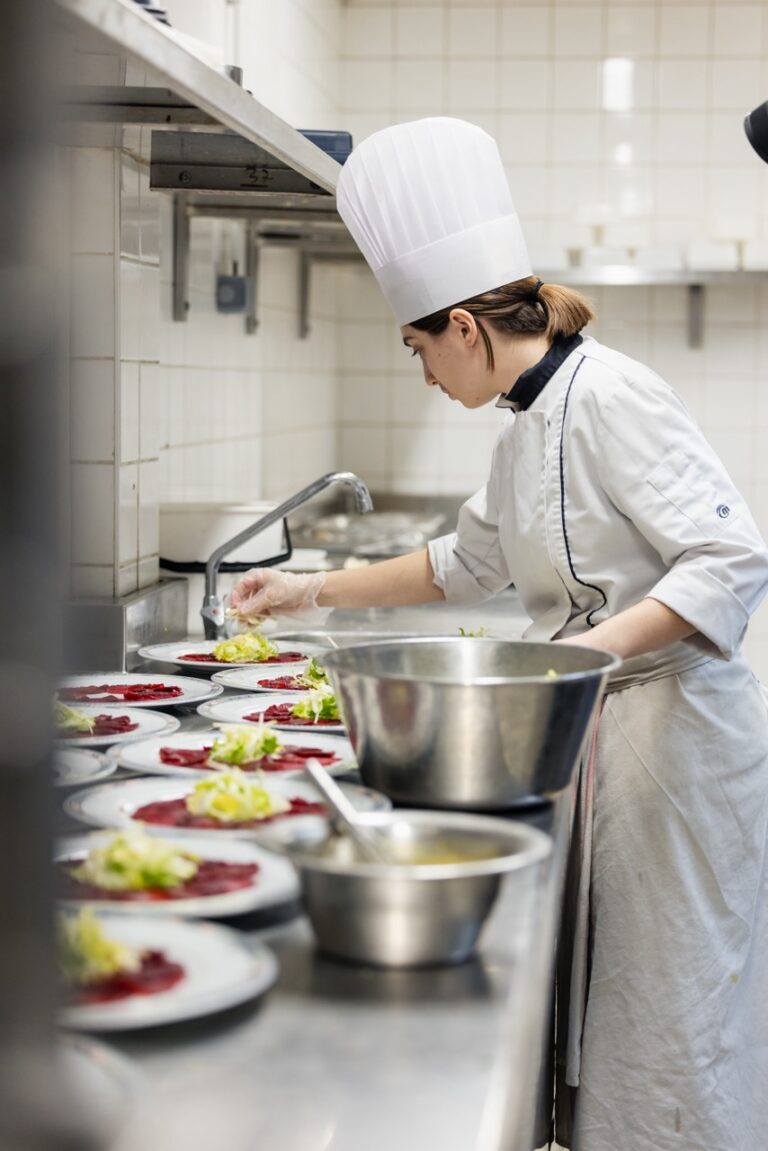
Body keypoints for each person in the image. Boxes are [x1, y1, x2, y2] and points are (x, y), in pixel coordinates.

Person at [230, 118, 768, 1151]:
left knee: (675, 1022)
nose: (424, 371)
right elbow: (459, 562)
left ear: (465, 330)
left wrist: (568, 663)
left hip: (684, 753)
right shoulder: (532, 418)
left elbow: (733, 557)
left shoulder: (610, 394)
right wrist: (307, 590)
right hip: (611, 736)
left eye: (420, 345)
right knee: (621, 1013)